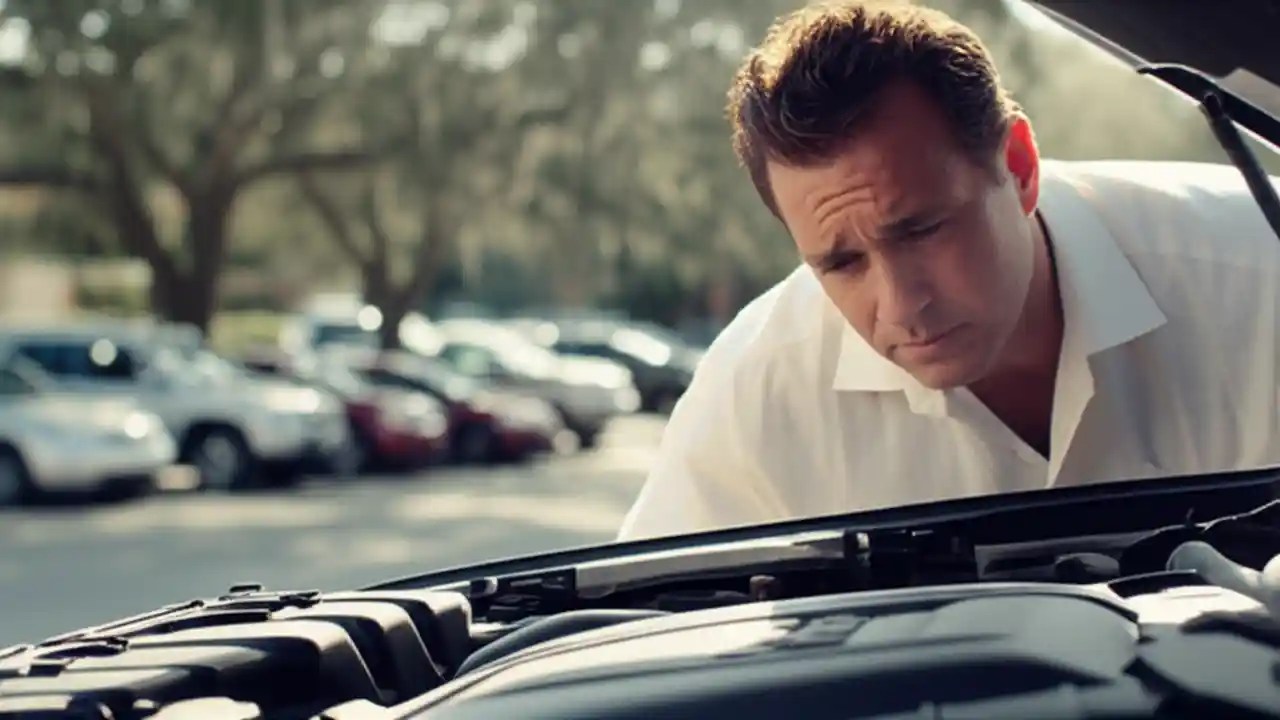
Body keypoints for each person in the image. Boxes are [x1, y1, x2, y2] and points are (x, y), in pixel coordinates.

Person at [617, 0, 1280, 541]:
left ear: (1018, 166)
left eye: (923, 229)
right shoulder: (758, 390)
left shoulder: (1262, 276)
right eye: (841, 262)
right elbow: (639, 642)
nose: (902, 304)